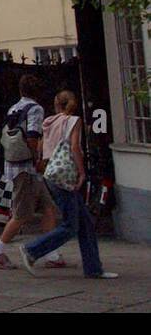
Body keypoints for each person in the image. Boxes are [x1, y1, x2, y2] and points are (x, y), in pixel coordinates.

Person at [21, 91, 118, 279]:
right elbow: (74, 147)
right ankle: (32, 249)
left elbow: (42, 149)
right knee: (71, 225)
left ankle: (94, 269)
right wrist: (82, 172)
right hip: (65, 176)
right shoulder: (73, 121)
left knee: (86, 224)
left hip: (52, 174)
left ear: (56, 104)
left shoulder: (49, 122)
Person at [0, 74, 59, 269]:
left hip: (15, 165)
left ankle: (51, 253)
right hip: (27, 168)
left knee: (48, 207)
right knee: (21, 213)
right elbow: (33, 135)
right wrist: (38, 158)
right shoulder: (35, 109)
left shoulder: (14, 108)